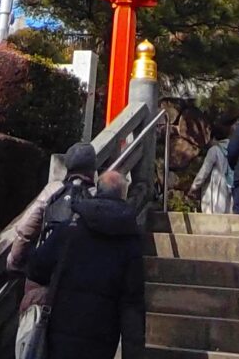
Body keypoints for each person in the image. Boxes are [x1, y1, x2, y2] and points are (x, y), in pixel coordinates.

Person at [26, 169, 145, 359]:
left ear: (97, 190)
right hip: (102, 338)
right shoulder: (131, 241)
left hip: (60, 329)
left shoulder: (69, 230)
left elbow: (36, 267)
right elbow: (132, 303)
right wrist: (134, 351)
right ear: (123, 194)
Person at [8, 140, 98, 308]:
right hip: (79, 285)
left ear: (68, 166)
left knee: (32, 323)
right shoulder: (97, 197)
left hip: (43, 276)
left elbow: (25, 230)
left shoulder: (53, 190)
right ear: (93, 169)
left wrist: (15, 261)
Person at [188, 126, 233, 214]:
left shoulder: (214, 150)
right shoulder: (233, 149)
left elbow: (204, 171)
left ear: (214, 138)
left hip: (216, 188)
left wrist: (194, 186)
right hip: (231, 187)